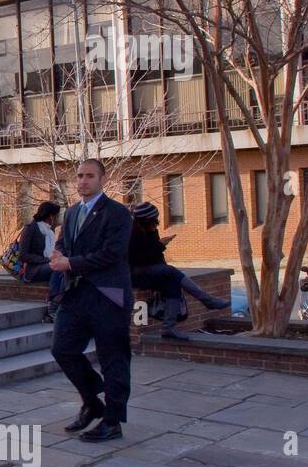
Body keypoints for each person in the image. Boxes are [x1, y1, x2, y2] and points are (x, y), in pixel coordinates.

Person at [48, 159, 134, 442]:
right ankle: (92, 401)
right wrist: (59, 256)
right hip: (76, 294)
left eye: (90, 176)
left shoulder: (118, 213)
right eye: (80, 176)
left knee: (113, 358)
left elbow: (112, 254)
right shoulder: (72, 213)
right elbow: (63, 242)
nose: (83, 181)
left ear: (102, 180)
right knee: (62, 349)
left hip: (107, 295)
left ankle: (112, 421)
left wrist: (70, 263)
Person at [129, 201, 231, 341]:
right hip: (133, 274)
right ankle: (207, 300)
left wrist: (162, 263)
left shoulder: (152, 231)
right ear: (144, 221)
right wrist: (160, 246)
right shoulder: (131, 234)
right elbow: (138, 259)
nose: (155, 224)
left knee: (172, 282)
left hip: (149, 272)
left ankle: (168, 328)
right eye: (153, 221)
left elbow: (156, 257)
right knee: (171, 272)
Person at [17, 201, 64, 323]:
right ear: (51, 216)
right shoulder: (30, 229)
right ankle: (53, 307)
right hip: (32, 269)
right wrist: (46, 260)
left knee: (65, 268)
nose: (58, 219)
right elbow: (23, 255)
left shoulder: (50, 231)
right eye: (57, 216)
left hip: (47, 265)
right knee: (57, 267)